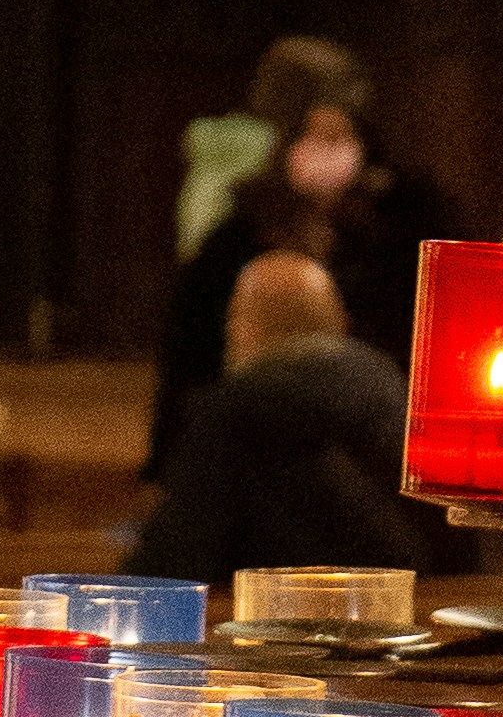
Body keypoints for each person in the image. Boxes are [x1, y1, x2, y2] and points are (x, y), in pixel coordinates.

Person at [145, 40, 451, 482]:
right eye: (312, 132)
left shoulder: (405, 229)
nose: (328, 151)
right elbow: (189, 368)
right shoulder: (233, 245)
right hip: (257, 459)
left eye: (340, 134)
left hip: (379, 456)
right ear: (284, 137)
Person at [125, 251, 447, 593]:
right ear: (338, 321)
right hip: (411, 612)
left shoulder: (236, 416)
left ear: (249, 327)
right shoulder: (399, 401)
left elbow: (173, 561)